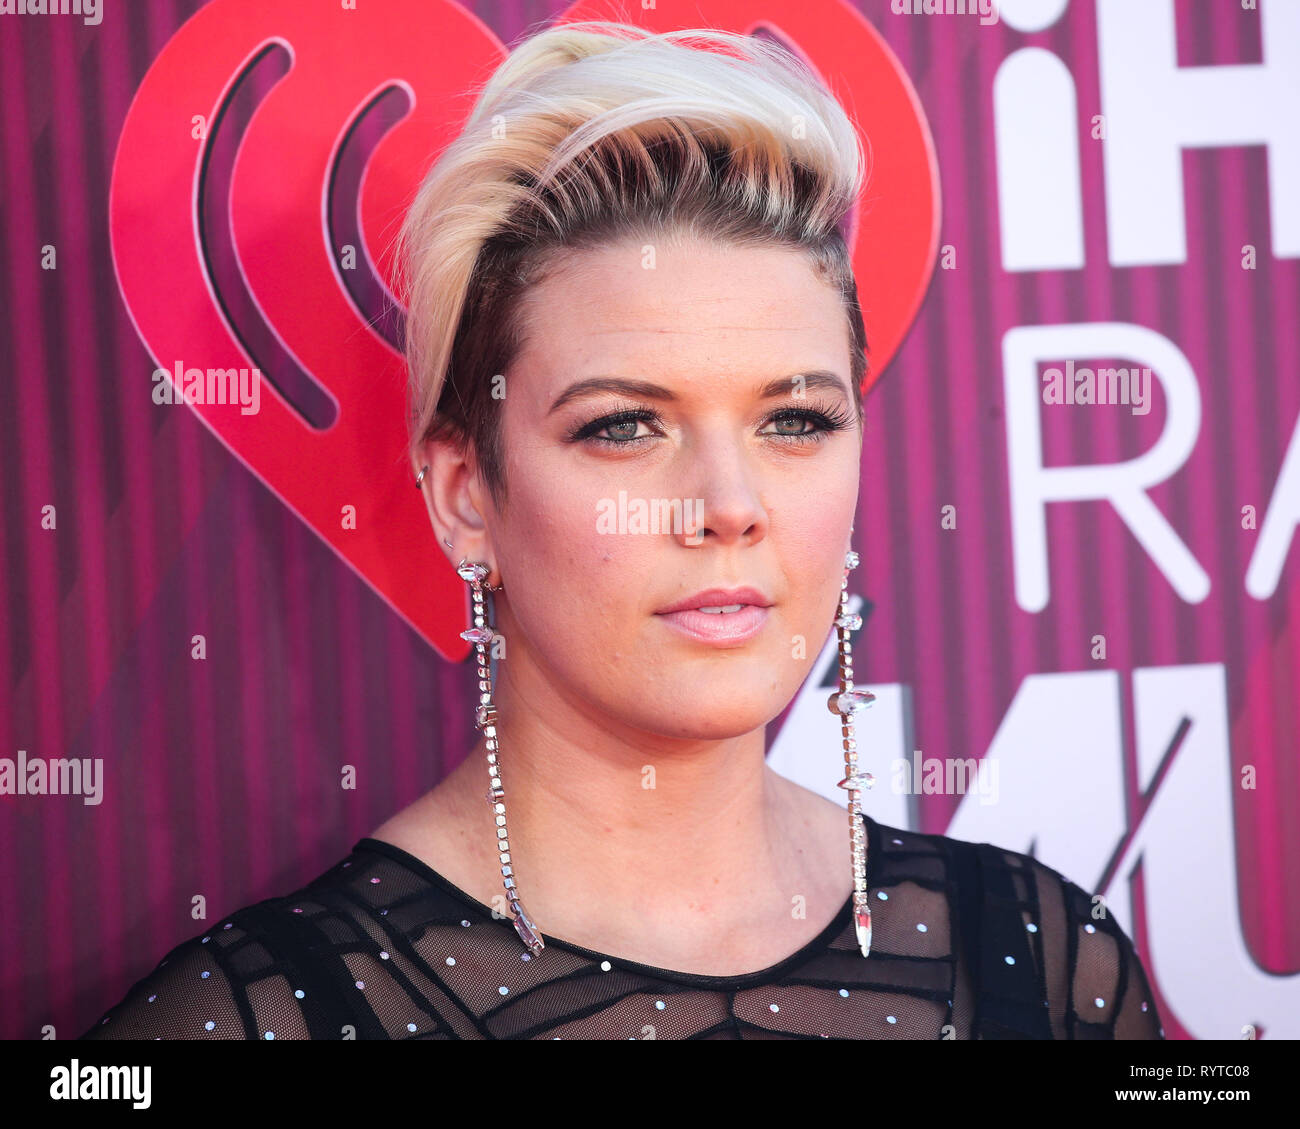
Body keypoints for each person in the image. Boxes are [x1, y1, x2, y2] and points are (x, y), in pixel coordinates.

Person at [81, 20, 1163, 1040]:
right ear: (467, 495)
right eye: (623, 426)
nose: (728, 503)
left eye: (795, 419)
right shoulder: (260, 1015)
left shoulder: (1045, 961)